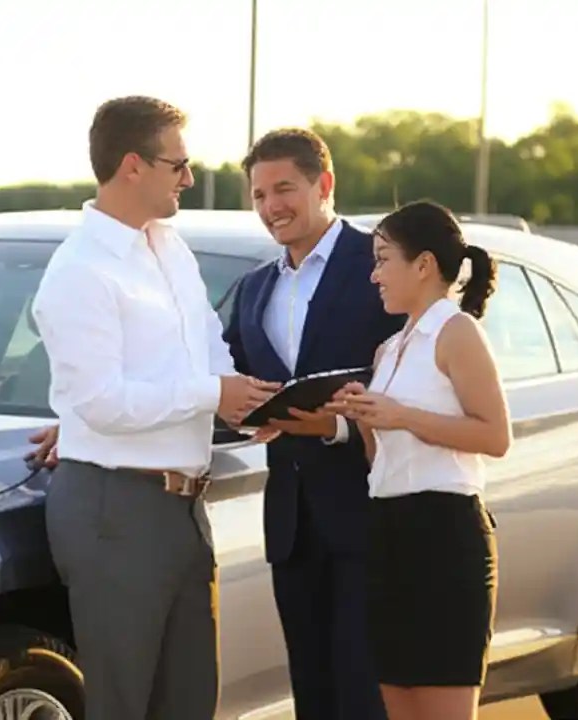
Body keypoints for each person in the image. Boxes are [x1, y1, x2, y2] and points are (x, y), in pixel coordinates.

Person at [29, 95, 279, 720]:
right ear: (133, 166)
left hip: (184, 510)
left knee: (189, 703)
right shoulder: (79, 273)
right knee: (123, 707)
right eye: (179, 165)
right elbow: (101, 403)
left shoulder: (170, 248)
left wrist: (247, 401)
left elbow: (207, 349)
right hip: (116, 513)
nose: (190, 180)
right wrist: (211, 394)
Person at [221, 128, 404, 720]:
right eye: (258, 195)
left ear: (324, 184)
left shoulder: (381, 262)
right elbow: (210, 377)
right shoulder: (253, 290)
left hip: (375, 518)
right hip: (292, 529)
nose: (272, 206)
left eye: (284, 188)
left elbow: (424, 375)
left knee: (366, 695)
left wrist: (339, 427)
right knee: (315, 695)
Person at [325, 200, 509, 720]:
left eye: (383, 260)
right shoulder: (389, 349)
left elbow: (495, 435)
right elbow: (379, 460)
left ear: (423, 264)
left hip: (444, 535)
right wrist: (364, 417)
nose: (374, 275)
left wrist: (400, 415)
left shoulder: (458, 333)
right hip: (388, 531)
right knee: (397, 706)